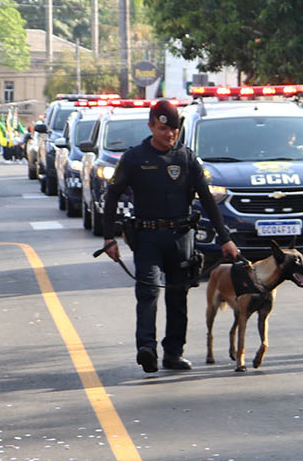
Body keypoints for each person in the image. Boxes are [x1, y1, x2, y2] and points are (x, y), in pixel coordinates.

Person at [100, 100, 240, 374]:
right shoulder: (134, 158)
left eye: (174, 129)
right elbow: (112, 195)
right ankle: (147, 349)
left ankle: (173, 353)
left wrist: (226, 238)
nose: (170, 134)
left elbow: (208, 200)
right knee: (148, 292)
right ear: (151, 125)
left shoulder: (186, 158)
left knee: (178, 295)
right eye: (164, 129)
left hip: (181, 237)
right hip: (147, 237)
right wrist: (108, 238)